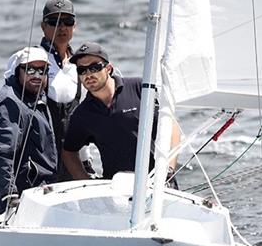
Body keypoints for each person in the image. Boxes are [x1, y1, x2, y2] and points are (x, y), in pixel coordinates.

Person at [61, 42, 180, 183]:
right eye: (82, 70)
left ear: (108, 68)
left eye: (94, 68)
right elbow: (69, 152)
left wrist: (169, 169)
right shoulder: (82, 114)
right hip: (116, 189)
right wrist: (85, 181)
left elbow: (171, 125)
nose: (88, 74)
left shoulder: (140, 88)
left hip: (158, 183)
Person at [0, 46, 57, 214]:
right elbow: (2, 152)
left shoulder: (37, 98)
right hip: (21, 197)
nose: (37, 75)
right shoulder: (8, 101)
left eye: (42, 70)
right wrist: (9, 195)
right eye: (30, 69)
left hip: (40, 192)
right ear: (18, 71)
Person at [38, 0, 92, 180]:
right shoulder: (32, 61)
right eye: (54, 22)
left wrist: (86, 162)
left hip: (74, 161)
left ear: (74, 26)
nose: (62, 27)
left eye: (68, 21)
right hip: (41, 162)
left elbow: (85, 118)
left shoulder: (81, 65)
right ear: (43, 26)